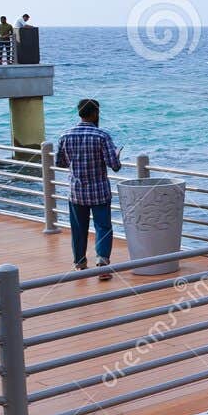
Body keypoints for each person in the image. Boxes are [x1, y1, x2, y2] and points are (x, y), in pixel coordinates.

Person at [55, 98, 122, 279]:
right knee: (103, 227)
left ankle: (80, 263)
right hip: (99, 191)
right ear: (95, 114)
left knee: (78, 228)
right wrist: (116, 155)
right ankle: (102, 263)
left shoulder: (65, 136)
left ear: (80, 113)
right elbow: (114, 165)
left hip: (76, 192)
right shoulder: (102, 136)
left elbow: (59, 162)